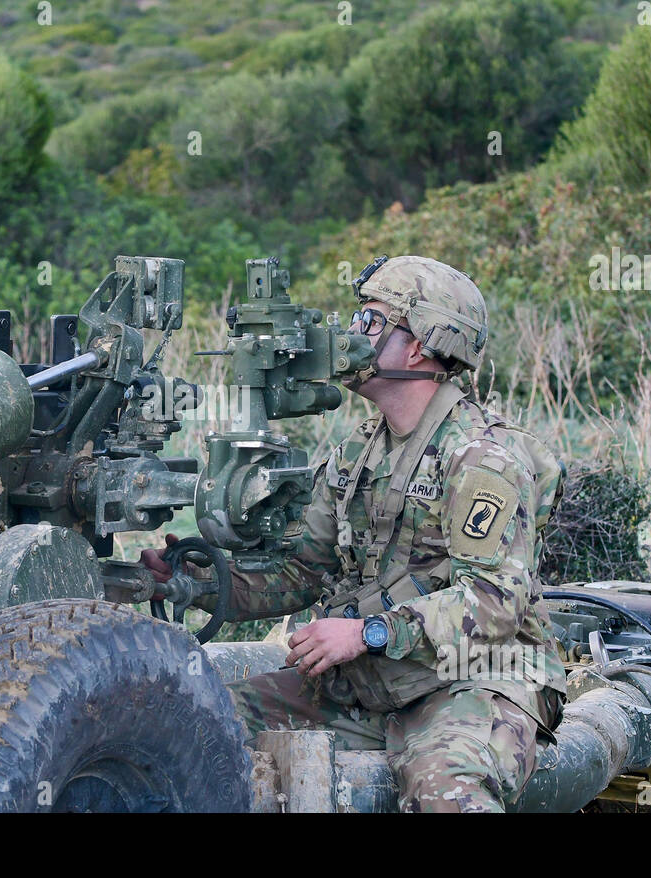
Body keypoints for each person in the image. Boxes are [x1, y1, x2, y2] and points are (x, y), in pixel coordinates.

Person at [141, 255, 567, 812]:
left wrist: (367, 634)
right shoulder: (357, 455)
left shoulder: (482, 457)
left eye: (370, 322)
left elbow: (492, 603)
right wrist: (195, 585)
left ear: (418, 346)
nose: (349, 337)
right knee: (193, 725)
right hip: (371, 683)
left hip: (473, 682)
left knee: (446, 791)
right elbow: (301, 573)